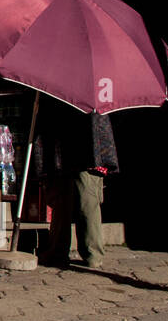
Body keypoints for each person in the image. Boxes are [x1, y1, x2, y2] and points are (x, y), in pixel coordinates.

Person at [31, 100, 119, 268]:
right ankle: (74, 252)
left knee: (83, 193)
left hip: (83, 122)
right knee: (70, 193)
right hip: (70, 121)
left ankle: (83, 252)